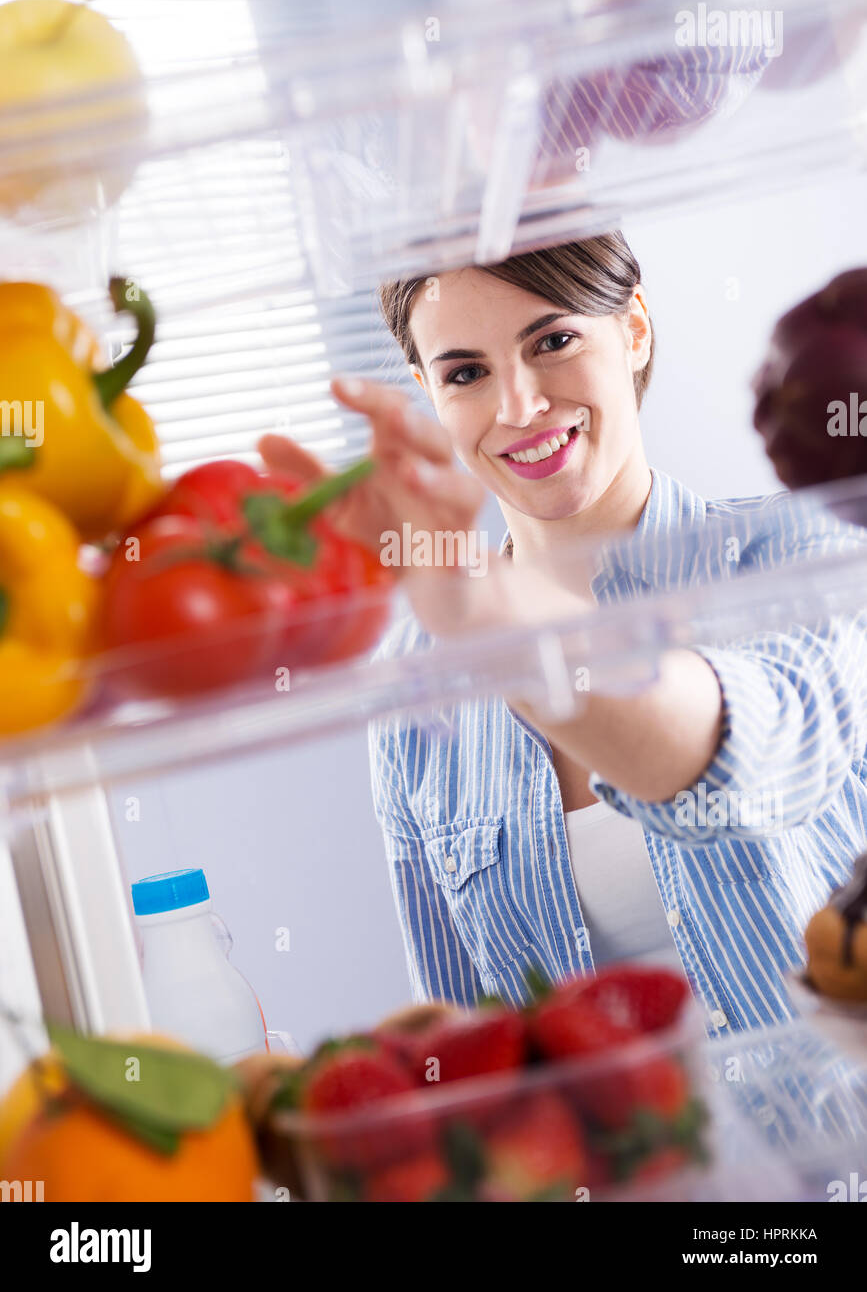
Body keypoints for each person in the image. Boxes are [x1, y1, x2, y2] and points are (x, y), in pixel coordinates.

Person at [259, 231, 867, 1038]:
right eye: (465, 372)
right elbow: (472, 1037)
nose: (517, 406)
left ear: (634, 328)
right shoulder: (414, 686)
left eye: (552, 341)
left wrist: (489, 614)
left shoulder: (799, 560)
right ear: (425, 393)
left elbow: (742, 759)